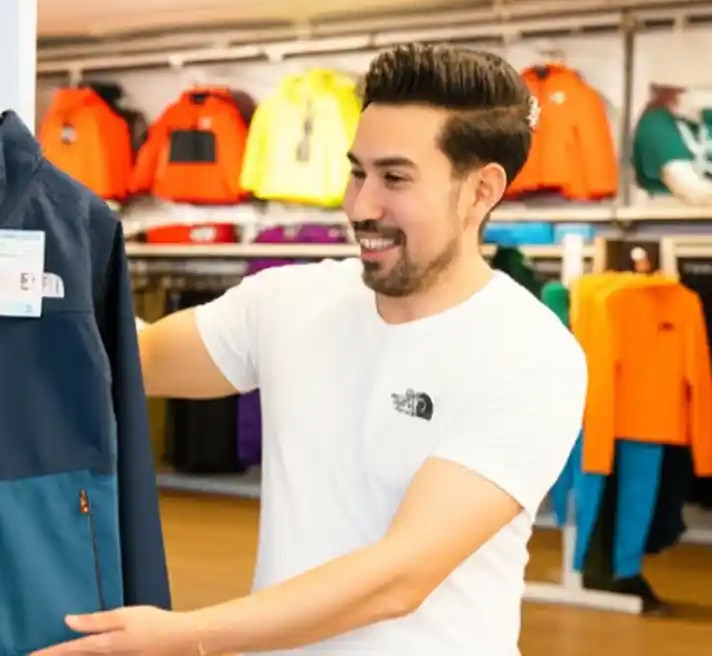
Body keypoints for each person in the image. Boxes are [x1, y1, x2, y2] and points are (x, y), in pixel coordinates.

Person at [33, 43, 588, 655]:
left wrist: (188, 636)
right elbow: (127, 357)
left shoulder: (532, 354)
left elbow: (400, 577)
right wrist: (5, 280)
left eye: (395, 178)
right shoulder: (291, 300)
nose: (360, 205)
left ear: (482, 190)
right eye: (358, 172)